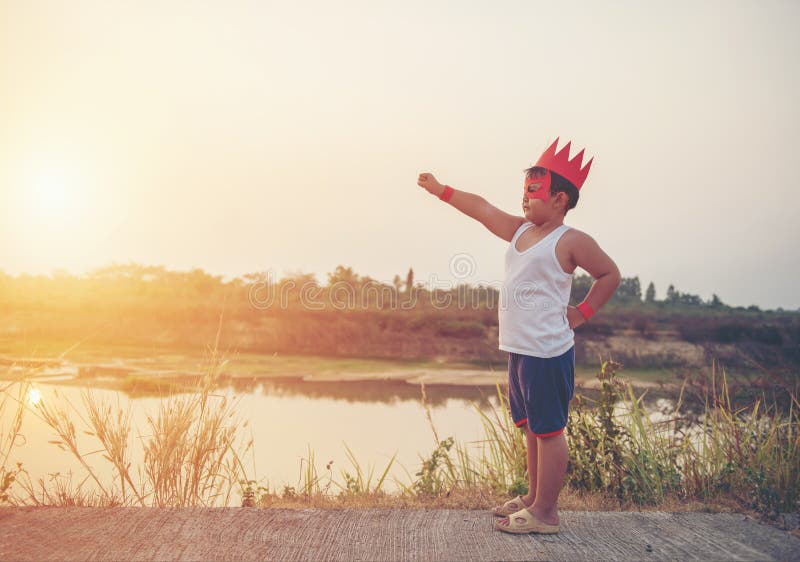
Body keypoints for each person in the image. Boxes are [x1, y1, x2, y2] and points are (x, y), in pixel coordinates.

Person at [417, 138, 621, 534]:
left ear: (560, 199)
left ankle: (546, 512)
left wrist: (582, 312)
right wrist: (441, 189)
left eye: (533, 192)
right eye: (524, 192)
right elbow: (481, 209)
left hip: (547, 351)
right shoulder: (519, 230)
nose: (524, 200)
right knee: (530, 426)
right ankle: (531, 497)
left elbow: (609, 274)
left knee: (549, 431)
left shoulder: (571, 240)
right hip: (519, 348)